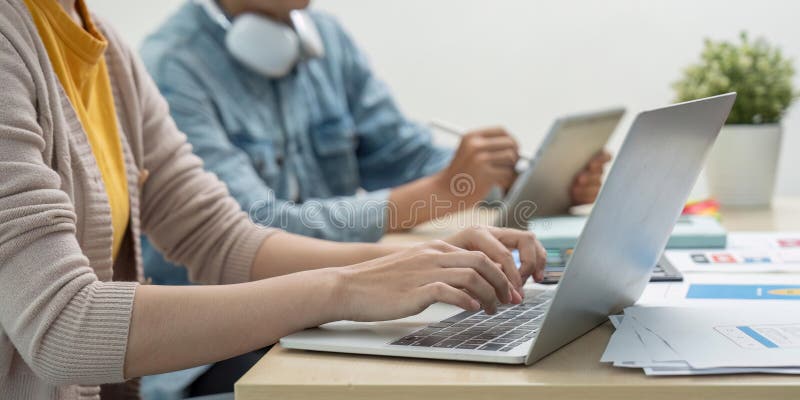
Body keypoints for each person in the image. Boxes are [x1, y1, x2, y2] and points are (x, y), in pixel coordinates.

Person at [0, 1, 549, 399]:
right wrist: (349, 287)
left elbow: (226, 240)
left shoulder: (106, 48)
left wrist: (424, 262)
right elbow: (64, 328)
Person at [138, 0, 611, 282]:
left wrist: (526, 183)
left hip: (330, 297)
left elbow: (404, 155)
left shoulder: (325, 38)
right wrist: (442, 193)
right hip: (227, 338)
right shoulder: (173, 68)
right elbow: (257, 233)